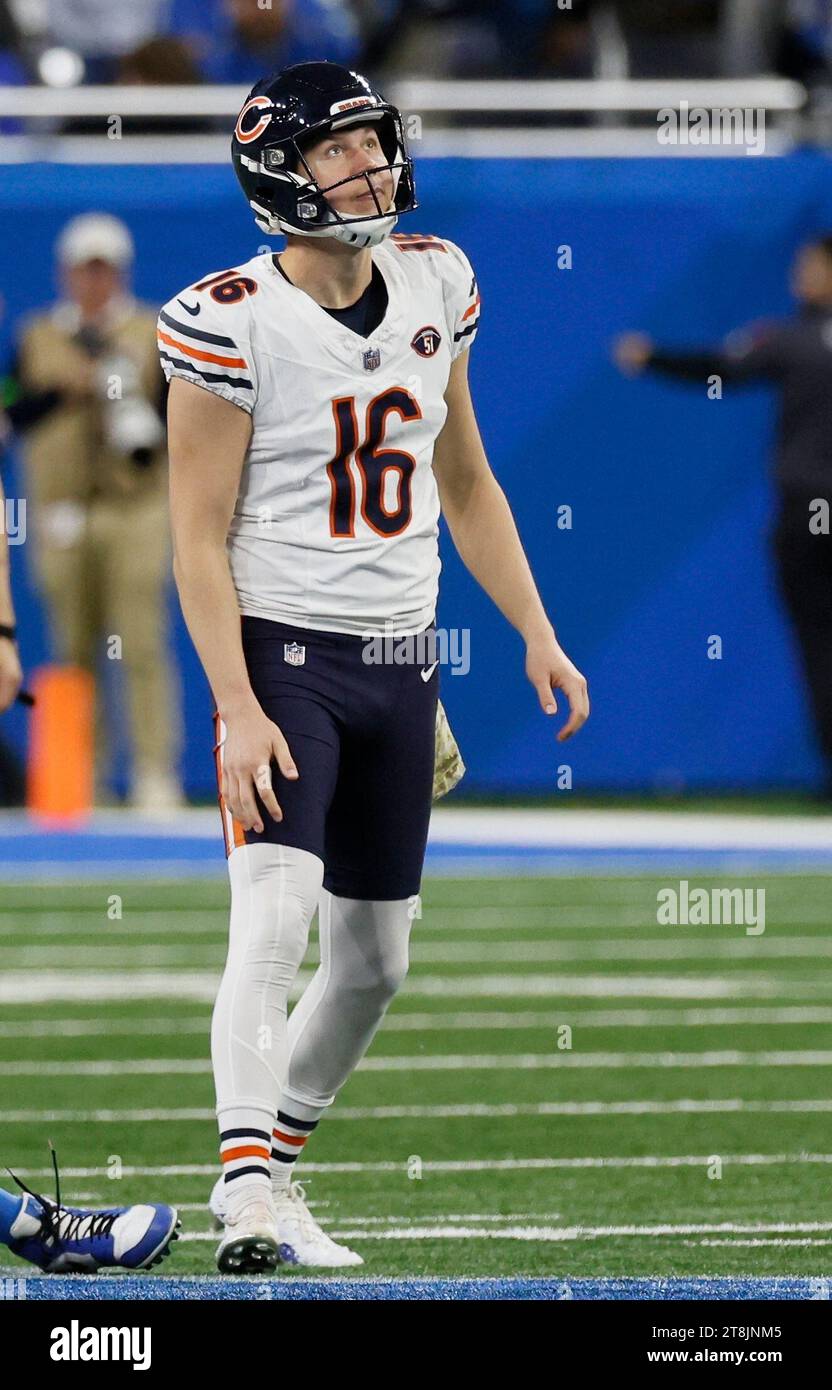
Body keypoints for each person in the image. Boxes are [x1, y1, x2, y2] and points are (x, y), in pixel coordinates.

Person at [161, 60, 589, 1275]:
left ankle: (279, 1168)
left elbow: (465, 479)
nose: (369, 165)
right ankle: (244, 1193)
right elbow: (194, 535)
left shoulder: (437, 280)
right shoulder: (228, 317)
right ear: (278, 176)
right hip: (284, 653)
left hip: (403, 657)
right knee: (275, 918)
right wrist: (236, 702)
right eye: (338, 150)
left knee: (376, 961)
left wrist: (535, 630)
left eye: (371, 141)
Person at [614, 235, 832, 796]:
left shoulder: (790, 339)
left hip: (808, 511)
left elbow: (721, 367)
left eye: (812, 265)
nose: (800, 272)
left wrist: (651, 357)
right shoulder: (791, 337)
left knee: (818, 642)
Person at [17, 213, 184, 812]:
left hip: (135, 504)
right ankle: (79, 774)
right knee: (73, 644)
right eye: (84, 270)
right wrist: (64, 388)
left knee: (139, 638)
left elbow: (177, 419)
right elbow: (11, 409)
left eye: (104, 270)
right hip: (62, 507)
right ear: (67, 274)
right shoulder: (38, 335)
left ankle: (152, 771)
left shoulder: (151, 331)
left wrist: (124, 394)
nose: (94, 282)